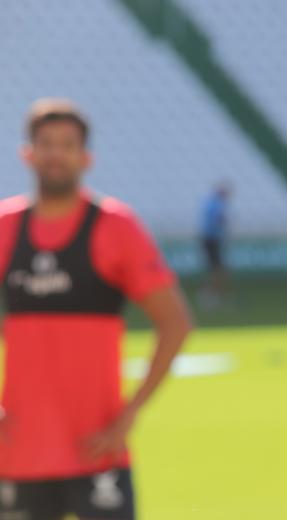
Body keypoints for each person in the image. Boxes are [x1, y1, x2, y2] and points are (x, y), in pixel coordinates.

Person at [0, 98, 192, 520]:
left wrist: (130, 413)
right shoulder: (6, 225)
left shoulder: (116, 226)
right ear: (27, 153)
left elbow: (175, 323)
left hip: (98, 449)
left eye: (67, 144)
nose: (55, 153)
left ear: (86, 156)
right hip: (17, 452)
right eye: (45, 143)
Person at [198, 182, 231, 307]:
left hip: (210, 239)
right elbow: (219, 220)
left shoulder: (210, 202)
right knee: (217, 270)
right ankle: (210, 295)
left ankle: (212, 295)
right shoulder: (216, 204)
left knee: (216, 269)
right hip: (212, 240)